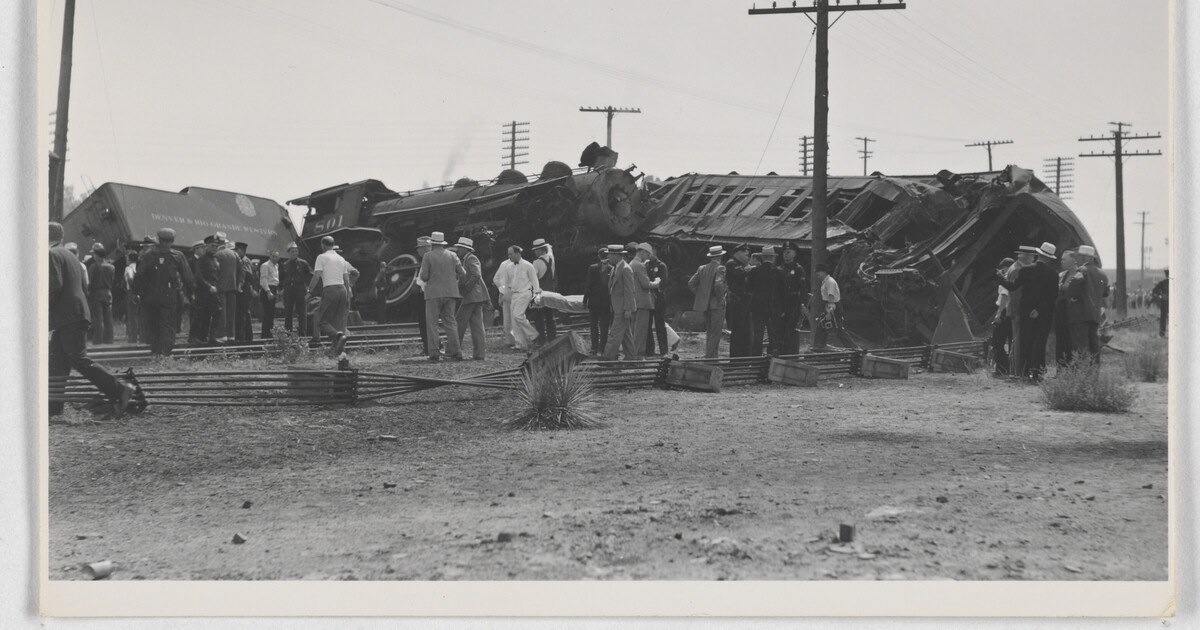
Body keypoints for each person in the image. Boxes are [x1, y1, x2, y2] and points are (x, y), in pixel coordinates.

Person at [48, 222, 136, 417]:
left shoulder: (51, 254)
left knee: (78, 359)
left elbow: (54, 286)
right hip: (72, 315)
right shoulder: (70, 256)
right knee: (56, 361)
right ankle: (53, 408)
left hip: (68, 317)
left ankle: (120, 390)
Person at [998, 242, 1060, 382]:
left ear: (1038, 255)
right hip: (1044, 314)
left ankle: (1025, 371)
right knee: (1040, 342)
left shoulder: (1025, 270)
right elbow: (1053, 296)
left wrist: (1001, 279)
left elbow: (1013, 287)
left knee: (1026, 341)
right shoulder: (1053, 274)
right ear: (1049, 258)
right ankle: (1038, 373)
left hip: (1026, 311)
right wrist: (1038, 310)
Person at [132, 228, 195, 357]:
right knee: (168, 324)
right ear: (172, 241)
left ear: (159, 240)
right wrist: (191, 294)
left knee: (153, 323)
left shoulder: (148, 255)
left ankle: (155, 351)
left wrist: (136, 292)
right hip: (169, 296)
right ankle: (165, 353)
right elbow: (188, 277)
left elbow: (139, 275)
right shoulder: (178, 256)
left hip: (150, 296)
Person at [417, 231, 465, 361]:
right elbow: (462, 273)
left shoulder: (428, 256)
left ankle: (434, 353)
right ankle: (456, 352)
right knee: (450, 322)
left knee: (432, 324)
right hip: (451, 292)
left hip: (433, 293)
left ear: (432, 243)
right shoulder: (453, 255)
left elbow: (424, 276)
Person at [306, 235, 352, 356]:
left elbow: (316, 275)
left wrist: (309, 291)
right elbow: (346, 279)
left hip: (330, 290)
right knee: (336, 321)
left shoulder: (321, 257)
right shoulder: (341, 259)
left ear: (323, 245)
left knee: (321, 319)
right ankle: (336, 350)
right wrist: (348, 295)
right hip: (342, 290)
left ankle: (339, 337)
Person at [1066, 245, 1110, 364]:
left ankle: (1082, 372)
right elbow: (1106, 292)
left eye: (1080, 257)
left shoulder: (1082, 271)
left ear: (1087, 258)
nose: (1077, 259)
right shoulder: (1102, 274)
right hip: (1095, 314)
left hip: (1080, 314)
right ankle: (1094, 372)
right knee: (1094, 344)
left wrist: (1074, 296)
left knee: (1081, 345)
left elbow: (1073, 286)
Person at [688, 245, 728, 359]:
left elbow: (691, 283)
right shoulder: (721, 268)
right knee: (716, 331)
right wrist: (720, 299)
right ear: (720, 256)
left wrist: (701, 296)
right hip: (716, 305)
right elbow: (719, 284)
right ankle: (711, 357)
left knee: (710, 331)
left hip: (704, 305)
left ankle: (709, 354)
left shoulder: (702, 268)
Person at [810, 263, 859, 351]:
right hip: (828, 305)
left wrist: (829, 312)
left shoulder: (830, 281)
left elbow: (831, 297)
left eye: (818, 272)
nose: (817, 274)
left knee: (838, 328)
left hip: (833, 306)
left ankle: (853, 347)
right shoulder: (825, 281)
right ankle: (819, 345)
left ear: (824, 272)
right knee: (823, 324)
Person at [748, 245, 787, 356]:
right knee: (774, 336)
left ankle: (755, 361)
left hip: (757, 309)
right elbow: (783, 292)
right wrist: (783, 309)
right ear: (773, 257)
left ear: (763, 257)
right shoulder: (779, 272)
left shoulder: (755, 272)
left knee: (758, 336)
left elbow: (749, 289)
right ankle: (773, 360)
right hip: (774, 309)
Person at [455, 236, 489, 360]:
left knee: (459, 323)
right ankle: (479, 354)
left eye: (459, 247)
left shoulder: (470, 258)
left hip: (471, 296)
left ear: (465, 248)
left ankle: (453, 351)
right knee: (477, 326)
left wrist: (466, 289)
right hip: (476, 297)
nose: (457, 249)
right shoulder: (467, 259)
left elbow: (476, 275)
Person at [602, 244, 638, 361]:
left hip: (622, 308)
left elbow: (630, 290)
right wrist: (603, 269)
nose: (608, 256)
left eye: (610, 254)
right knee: (626, 335)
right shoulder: (615, 268)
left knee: (615, 333)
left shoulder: (626, 269)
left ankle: (608, 357)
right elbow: (608, 285)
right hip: (617, 307)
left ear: (616, 255)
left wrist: (628, 309)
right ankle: (631, 358)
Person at [504, 245, 541, 353]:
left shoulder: (528, 265)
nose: (509, 256)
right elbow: (507, 284)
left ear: (517, 253)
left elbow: (535, 281)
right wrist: (506, 296)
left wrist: (536, 295)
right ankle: (520, 344)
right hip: (514, 294)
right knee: (514, 320)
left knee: (518, 315)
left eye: (511, 254)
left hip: (525, 293)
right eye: (508, 254)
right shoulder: (508, 267)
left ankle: (533, 335)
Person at [630, 243, 661, 360]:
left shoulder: (631, 264)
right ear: (642, 252)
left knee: (634, 329)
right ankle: (638, 355)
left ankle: (632, 353)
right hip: (643, 302)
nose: (648, 258)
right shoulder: (639, 265)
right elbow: (646, 284)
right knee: (640, 331)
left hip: (634, 301)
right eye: (647, 254)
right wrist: (657, 282)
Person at [191, 236, 223, 345]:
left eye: (216, 246)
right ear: (207, 246)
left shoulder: (216, 260)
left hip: (214, 292)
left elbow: (218, 275)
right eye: (212, 246)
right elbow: (199, 277)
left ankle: (211, 337)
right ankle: (194, 337)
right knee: (200, 314)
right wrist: (209, 286)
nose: (214, 248)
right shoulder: (202, 260)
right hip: (203, 292)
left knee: (216, 312)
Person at [724, 244, 753, 357]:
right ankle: (736, 357)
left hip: (744, 302)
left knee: (745, 330)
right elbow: (740, 274)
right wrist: (751, 268)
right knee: (737, 331)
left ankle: (744, 356)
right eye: (745, 253)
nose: (747, 256)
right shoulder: (731, 263)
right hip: (736, 302)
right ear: (737, 253)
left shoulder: (741, 264)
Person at [582, 247, 613, 355]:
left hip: (594, 302)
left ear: (599, 256)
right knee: (604, 326)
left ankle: (594, 348)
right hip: (606, 302)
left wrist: (585, 300)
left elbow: (588, 285)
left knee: (593, 325)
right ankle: (603, 348)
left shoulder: (593, 268)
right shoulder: (612, 268)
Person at [779, 242, 808, 354]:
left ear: (794, 254)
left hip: (793, 301)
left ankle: (792, 354)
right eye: (784, 252)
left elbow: (804, 288)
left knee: (793, 329)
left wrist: (803, 304)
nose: (785, 255)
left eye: (788, 252)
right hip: (781, 301)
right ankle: (782, 352)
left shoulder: (798, 268)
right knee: (781, 328)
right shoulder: (780, 268)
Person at [280, 242, 313, 337]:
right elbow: (281, 278)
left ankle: (302, 335)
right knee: (288, 313)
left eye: (296, 251)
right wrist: (282, 289)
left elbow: (311, 275)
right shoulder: (285, 264)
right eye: (292, 251)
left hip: (300, 289)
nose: (294, 253)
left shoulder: (303, 263)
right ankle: (288, 335)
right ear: (289, 252)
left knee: (302, 313)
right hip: (289, 289)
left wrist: (308, 287)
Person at [85, 243, 116, 345]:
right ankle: (109, 339)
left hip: (96, 293)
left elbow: (90, 282)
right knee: (108, 318)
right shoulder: (111, 267)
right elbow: (112, 281)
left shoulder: (94, 266)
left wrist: (88, 292)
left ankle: (98, 340)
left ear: (97, 255)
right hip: (108, 293)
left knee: (98, 318)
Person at [643, 244, 670, 357]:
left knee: (660, 324)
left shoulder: (661, 265)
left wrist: (654, 285)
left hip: (658, 298)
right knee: (647, 325)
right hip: (648, 299)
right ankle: (649, 350)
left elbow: (663, 282)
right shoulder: (645, 265)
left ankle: (664, 351)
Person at [530, 238, 558, 345]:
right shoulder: (551, 258)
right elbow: (550, 251)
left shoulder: (536, 263)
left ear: (541, 250)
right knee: (550, 317)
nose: (535, 252)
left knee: (539, 318)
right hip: (551, 291)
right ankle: (553, 339)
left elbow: (534, 278)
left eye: (536, 250)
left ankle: (541, 340)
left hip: (540, 293)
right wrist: (549, 247)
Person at [1052, 250, 1076, 370]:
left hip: (1073, 312)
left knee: (1072, 341)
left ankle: (1072, 368)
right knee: (1061, 341)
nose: (1061, 261)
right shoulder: (1061, 275)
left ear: (1073, 261)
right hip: (1060, 312)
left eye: (1064, 259)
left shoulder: (1079, 274)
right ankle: (1060, 368)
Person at [214, 234, 241, 343]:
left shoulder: (217, 255)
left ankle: (222, 335)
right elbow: (241, 269)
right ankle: (231, 335)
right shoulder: (234, 254)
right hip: (233, 286)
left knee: (222, 313)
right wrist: (238, 283)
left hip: (220, 287)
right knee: (231, 313)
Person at [991, 257, 1015, 376]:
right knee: (1011, 340)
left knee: (998, 341)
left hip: (1004, 311)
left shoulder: (1005, 280)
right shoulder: (1013, 279)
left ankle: (1002, 367)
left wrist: (998, 314)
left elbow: (1004, 297)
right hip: (1012, 312)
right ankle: (1010, 366)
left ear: (1005, 268)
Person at [491, 246, 517, 348]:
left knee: (507, 317)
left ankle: (509, 340)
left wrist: (502, 290)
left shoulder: (503, 264)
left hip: (505, 293)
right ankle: (518, 341)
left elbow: (495, 279)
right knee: (516, 317)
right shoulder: (518, 264)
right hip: (515, 292)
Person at [234, 242, 256, 342]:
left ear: (241, 250)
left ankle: (244, 337)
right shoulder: (245, 260)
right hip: (244, 288)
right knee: (243, 313)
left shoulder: (244, 261)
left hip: (244, 289)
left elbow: (247, 276)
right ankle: (245, 337)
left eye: (236, 250)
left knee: (243, 313)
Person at [259, 250, 280, 338]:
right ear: (270, 256)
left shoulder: (276, 266)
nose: (275, 258)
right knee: (267, 313)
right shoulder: (265, 265)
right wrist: (268, 291)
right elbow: (264, 279)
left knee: (271, 313)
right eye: (273, 256)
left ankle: (270, 333)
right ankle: (265, 334)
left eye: (276, 256)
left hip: (274, 288)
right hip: (267, 289)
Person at [123, 251, 141, 344]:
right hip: (139, 293)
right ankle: (139, 337)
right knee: (137, 315)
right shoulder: (138, 267)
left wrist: (133, 290)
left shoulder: (128, 268)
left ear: (129, 259)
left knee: (131, 316)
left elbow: (130, 278)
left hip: (131, 292)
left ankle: (132, 338)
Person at [1152, 269, 1169, 337]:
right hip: (1165, 302)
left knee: (1163, 318)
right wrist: (1161, 295)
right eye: (1168, 274)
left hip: (1171, 303)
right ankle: (1162, 333)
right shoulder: (1162, 283)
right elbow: (1154, 291)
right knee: (1163, 318)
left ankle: (1162, 333)